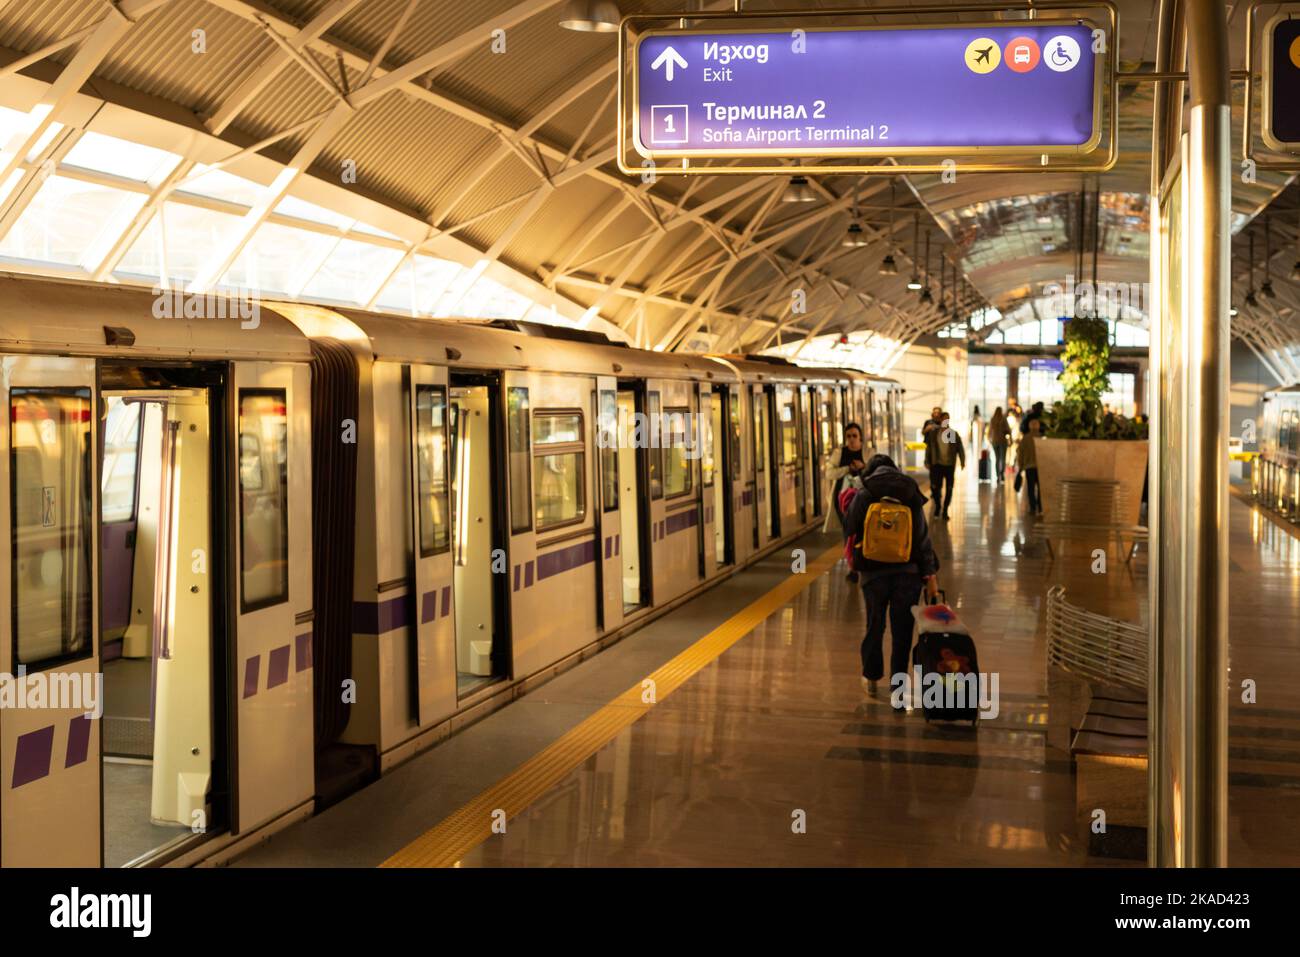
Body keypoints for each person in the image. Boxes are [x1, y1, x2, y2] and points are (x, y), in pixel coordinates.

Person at [844, 454, 940, 702]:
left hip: (872, 574)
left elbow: (849, 527)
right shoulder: (910, 491)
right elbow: (921, 539)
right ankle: (898, 689)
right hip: (907, 574)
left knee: (875, 626)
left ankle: (872, 678)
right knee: (902, 632)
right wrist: (929, 575)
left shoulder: (865, 491)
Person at [824, 422, 868, 581]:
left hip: (864, 500)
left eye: (854, 436)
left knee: (861, 532)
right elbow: (829, 473)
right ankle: (853, 567)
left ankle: (861, 562)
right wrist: (847, 469)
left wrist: (863, 467)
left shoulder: (868, 452)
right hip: (843, 501)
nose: (851, 439)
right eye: (848, 436)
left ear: (860, 437)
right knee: (849, 534)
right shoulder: (839, 453)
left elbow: (875, 471)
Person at [924, 410, 965, 520]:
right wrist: (927, 461)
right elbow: (929, 449)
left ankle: (945, 510)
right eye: (943, 419)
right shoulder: (934, 433)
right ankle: (938, 506)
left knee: (949, 488)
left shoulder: (951, 434)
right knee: (935, 487)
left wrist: (962, 461)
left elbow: (958, 448)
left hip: (949, 465)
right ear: (940, 420)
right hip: (937, 464)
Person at [1018, 417, 1043, 515]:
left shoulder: (1025, 438)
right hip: (1040, 467)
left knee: (1031, 488)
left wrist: (1021, 466)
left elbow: (1021, 453)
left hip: (1029, 467)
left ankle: (1032, 507)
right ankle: (1040, 507)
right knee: (1040, 488)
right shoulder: (1042, 438)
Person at [987, 406, 1010, 483]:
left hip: (995, 441)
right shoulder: (1004, 419)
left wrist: (989, 439)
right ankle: (1002, 474)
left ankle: (997, 476)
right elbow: (1008, 429)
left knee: (997, 459)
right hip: (1003, 441)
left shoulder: (992, 419)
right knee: (1003, 458)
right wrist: (1010, 439)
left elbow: (989, 430)